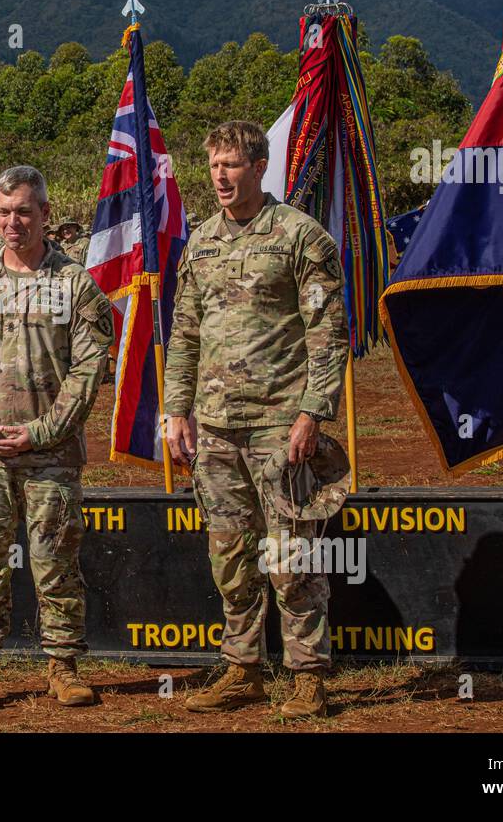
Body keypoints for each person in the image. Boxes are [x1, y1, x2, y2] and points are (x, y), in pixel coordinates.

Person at [163, 120, 348, 719]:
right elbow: (184, 331)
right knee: (230, 554)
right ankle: (243, 668)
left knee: (291, 555)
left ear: (259, 166)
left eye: (232, 164)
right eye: (214, 164)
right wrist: (175, 410)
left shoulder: (300, 237)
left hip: (279, 424)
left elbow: (329, 334)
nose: (220, 175)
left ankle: (308, 677)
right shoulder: (201, 242)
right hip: (215, 427)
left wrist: (312, 413)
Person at [0, 165, 114, 711]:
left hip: (51, 456)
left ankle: (62, 665)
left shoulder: (75, 285)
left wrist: (40, 432)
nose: (13, 223)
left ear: (45, 215)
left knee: (55, 560)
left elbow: (90, 370)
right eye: (4, 213)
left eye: (24, 212)